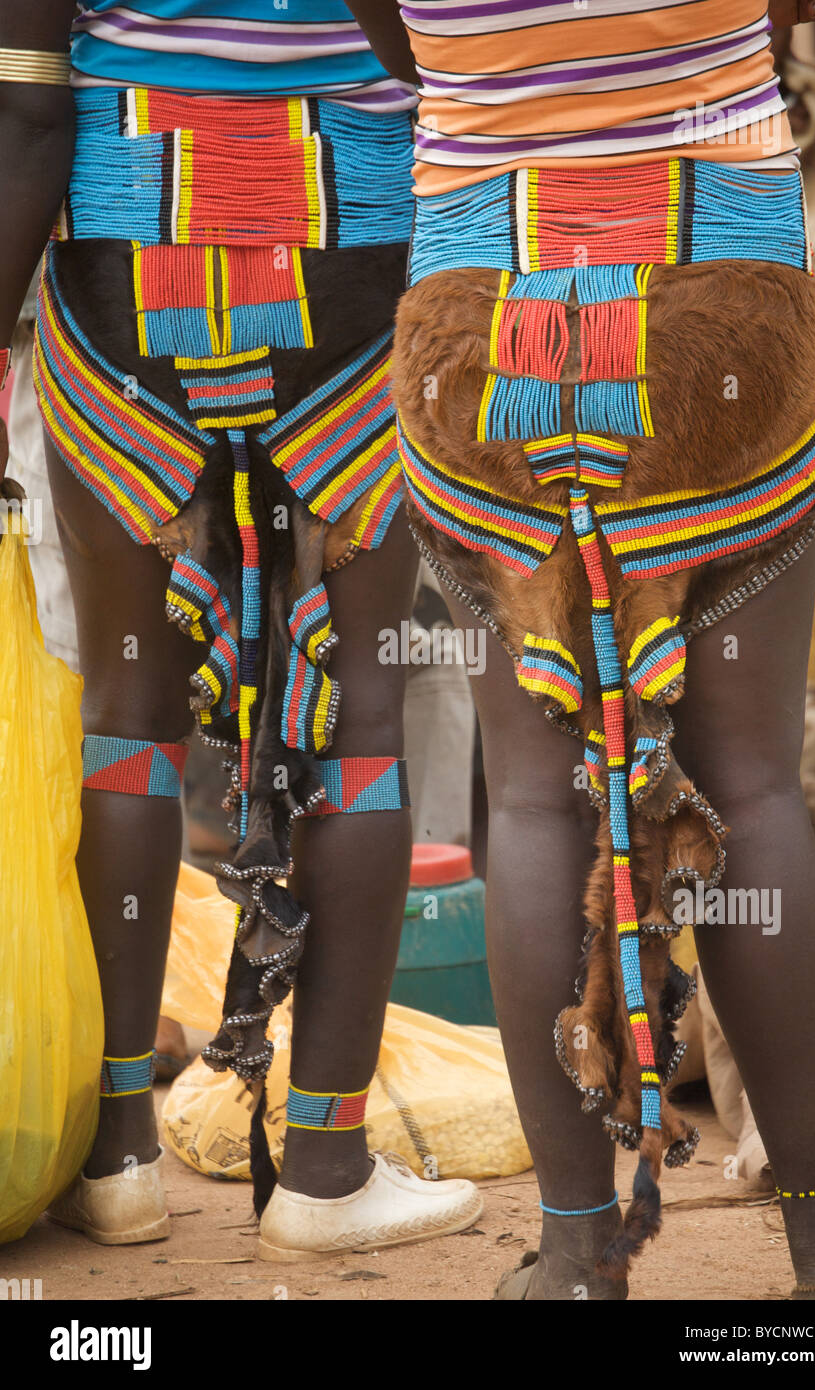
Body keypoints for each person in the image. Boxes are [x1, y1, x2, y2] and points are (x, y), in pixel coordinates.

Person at [346, 0, 815, 1298]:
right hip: (720, 309)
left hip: (482, 313)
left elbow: (389, 32)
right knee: (750, 784)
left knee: (530, 797)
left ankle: (579, 1253)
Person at [0, 1, 481, 1257]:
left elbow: (28, 100)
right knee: (361, 716)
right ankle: (323, 1165)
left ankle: (116, 1157)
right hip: (361, 241)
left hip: (126, 242)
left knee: (127, 724)